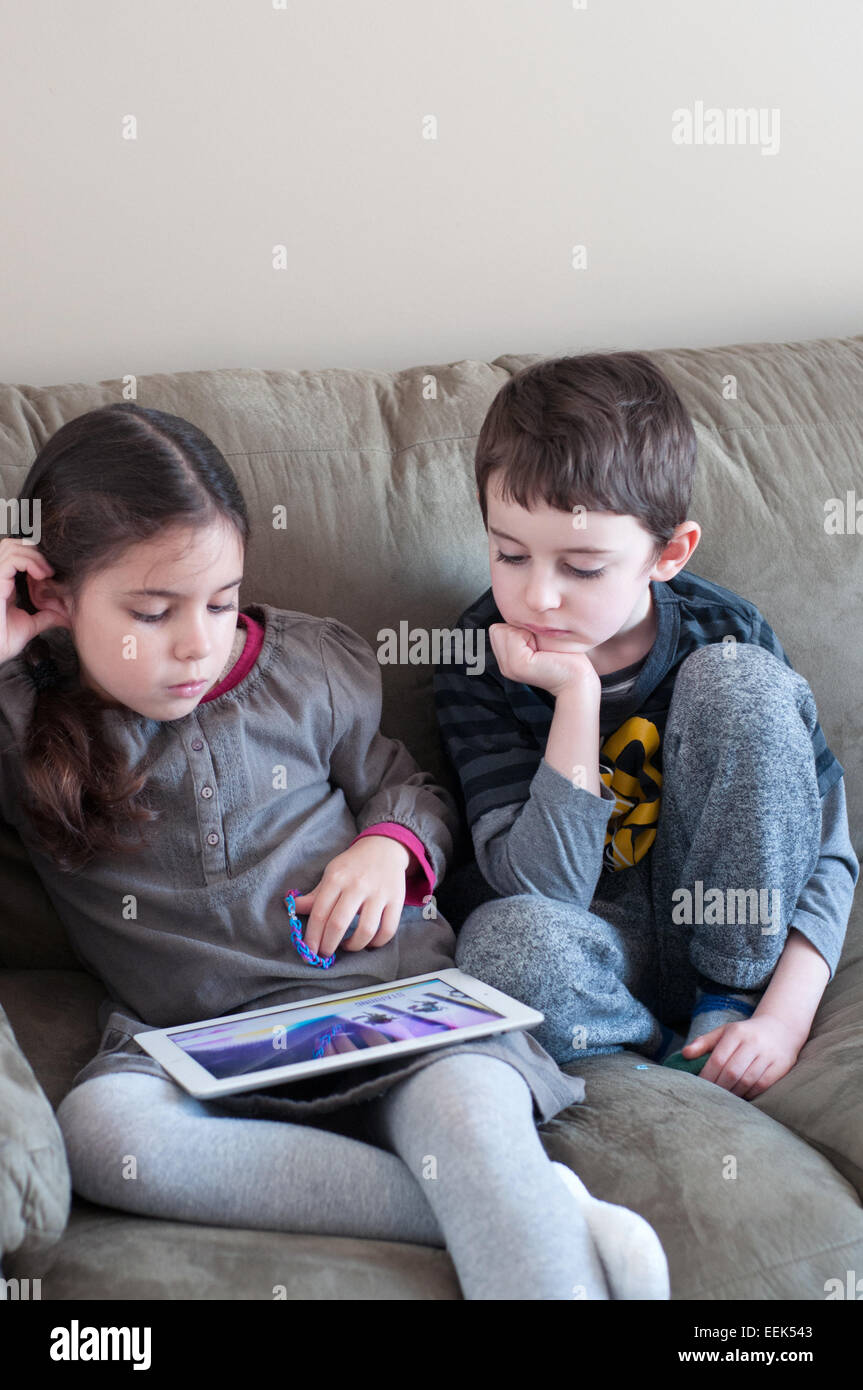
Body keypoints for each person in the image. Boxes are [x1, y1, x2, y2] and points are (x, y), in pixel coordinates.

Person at [0, 401, 670, 1301]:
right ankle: (529, 1204)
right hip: (192, 1041)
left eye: (222, 601)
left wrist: (389, 850)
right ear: (53, 596)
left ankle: (503, 1196)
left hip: (393, 1004)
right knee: (101, 1134)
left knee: (470, 1115)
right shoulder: (20, 715)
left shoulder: (309, 667)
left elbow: (411, 791)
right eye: (152, 613)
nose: (197, 643)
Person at [433, 352, 859, 1100]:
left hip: (736, 944)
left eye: (582, 567)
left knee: (739, 681)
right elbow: (542, 890)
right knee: (500, 946)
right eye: (508, 554)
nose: (538, 596)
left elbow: (823, 849)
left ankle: (724, 1005)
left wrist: (781, 1021)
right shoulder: (478, 656)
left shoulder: (724, 629)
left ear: (667, 554)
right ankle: (664, 1048)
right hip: (598, 949)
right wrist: (574, 695)